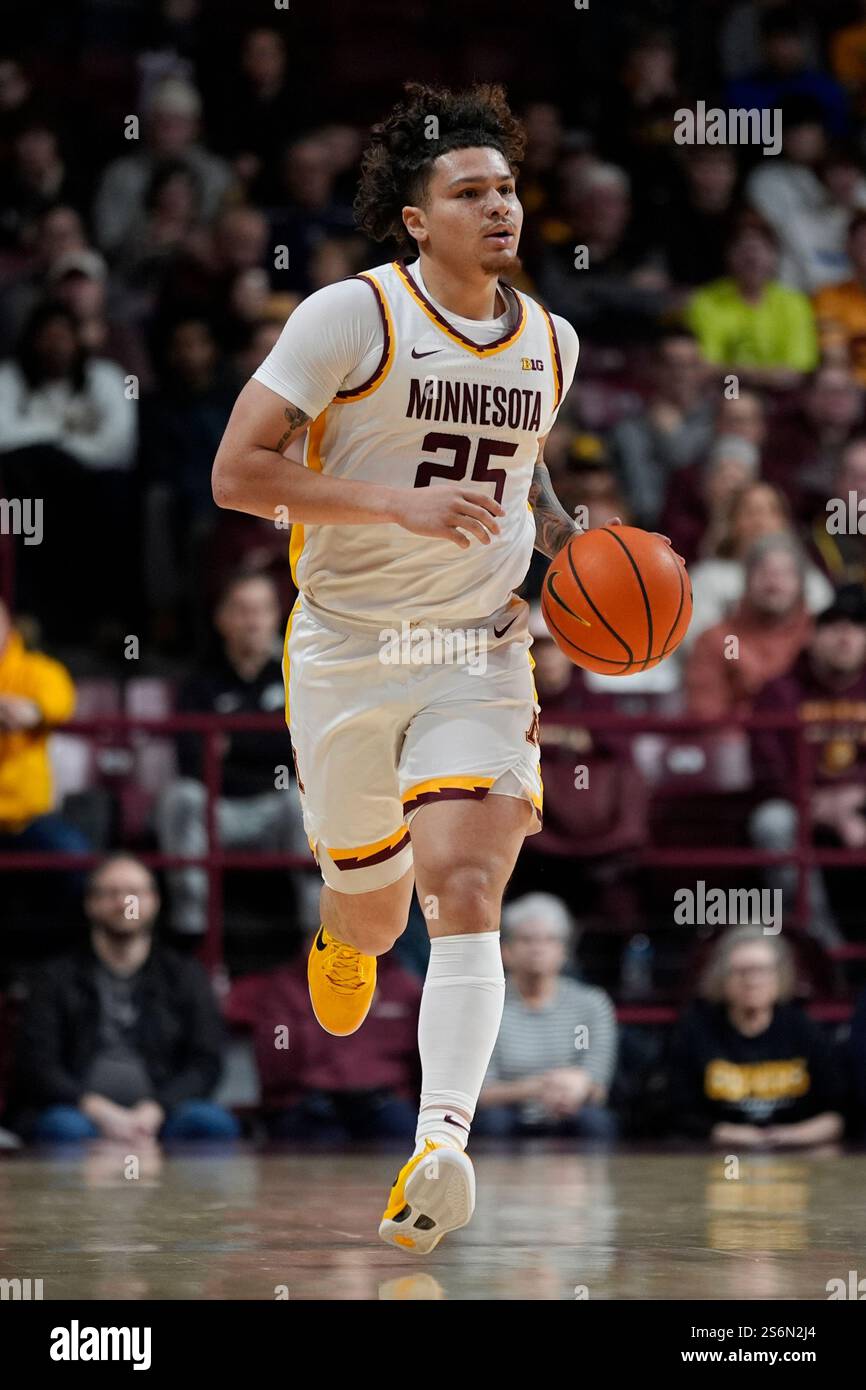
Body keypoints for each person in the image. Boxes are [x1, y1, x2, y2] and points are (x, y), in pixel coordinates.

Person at [212, 82, 663, 1254]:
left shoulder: (548, 341)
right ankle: (340, 932)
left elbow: (529, 475)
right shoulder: (348, 318)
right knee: (367, 914)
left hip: (476, 649)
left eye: (506, 187)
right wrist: (391, 503)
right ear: (417, 219)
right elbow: (235, 473)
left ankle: (441, 1143)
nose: (498, 206)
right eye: (469, 192)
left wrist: (570, 542)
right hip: (348, 650)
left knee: (464, 885)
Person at [10, 853, 240, 1142]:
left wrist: (155, 1109)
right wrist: (98, 1110)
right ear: (90, 903)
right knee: (63, 1128)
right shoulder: (54, 977)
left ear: (154, 901)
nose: (123, 903)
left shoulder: (185, 975)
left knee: (211, 1124)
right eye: (111, 893)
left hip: (163, 1114)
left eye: (134, 893)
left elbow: (206, 1062)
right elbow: (37, 1065)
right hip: (79, 1113)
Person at [155, 570, 311, 935]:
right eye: (242, 610)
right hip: (218, 809)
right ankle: (191, 933)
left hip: (277, 806)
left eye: (262, 610)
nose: (253, 621)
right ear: (221, 619)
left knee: (304, 799)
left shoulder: (297, 679)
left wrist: (232, 745)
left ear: (277, 617)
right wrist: (266, 743)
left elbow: (302, 755)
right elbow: (193, 761)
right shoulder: (199, 685)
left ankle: (317, 937)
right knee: (179, 797)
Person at [749, 585, 866, 945]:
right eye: (833, 625)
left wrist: (853, 798)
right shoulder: (780, 691)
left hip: (859, 806)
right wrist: (820, 806)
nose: (845, 636)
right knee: (772, 822)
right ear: (812, 634)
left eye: (858, 625)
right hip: (802, 806)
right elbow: (768, 770)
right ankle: (822, 950)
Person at [227, 930, 422, 1140]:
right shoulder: (284, 989)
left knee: (406, 1130)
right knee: (312, 1130)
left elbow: (427, 1060)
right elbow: (276, 1059)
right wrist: (327, 1016)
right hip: (311, 1103)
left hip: (386, 1103)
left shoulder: (403, 986)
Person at [667, 925, 846, 1147]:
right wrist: (740, 1137)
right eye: (741, 971)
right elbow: (678, 1114)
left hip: (799, 1155)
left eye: (762, 970)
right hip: (717, 1157)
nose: (752, 981)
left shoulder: (804, 1029)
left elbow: (836, 1114)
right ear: (722, 978)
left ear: (779, 976)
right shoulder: (696, 1032)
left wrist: (787, 1136)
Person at [475, 894, 618, 1139]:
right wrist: (537, 1088)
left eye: (549, 940)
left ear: (563, 951)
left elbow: (598, 1085)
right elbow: (479, 1092)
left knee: (597, 1122)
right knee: (491, 1123)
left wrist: (577, 1088)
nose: (538, 948)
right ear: (505, 951)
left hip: (570, 1108)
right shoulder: (484, 1004)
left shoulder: (590, 1003)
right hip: (506, 1111)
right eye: (527, 940)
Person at [684, 480, 833, 648]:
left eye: (772, 511)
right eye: (750, 512)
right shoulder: (708, 577)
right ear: (732, 523)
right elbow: (695, 641)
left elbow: (825, 638)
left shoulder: (809, 579)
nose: (761, 521)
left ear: (785, 522)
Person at [686, 210, 819, 390]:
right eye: (744, 250)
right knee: (734, 403)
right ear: (728, 255)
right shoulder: (706, 301)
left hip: (781, 393)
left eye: (761, 250)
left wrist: (741, 371)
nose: (753, 259)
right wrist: (763, 374)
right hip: (728, 389)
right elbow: (707, 367)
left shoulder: (794, 303)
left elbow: (796, 371)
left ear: (775, 257)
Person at [685, 535, 813, 720]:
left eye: (785, 573)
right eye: (764, 571)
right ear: (746, 579)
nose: (773, 581)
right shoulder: (718, 639)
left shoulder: (818, 636)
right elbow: (706, 715)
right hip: (739, 744)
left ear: (801, 583)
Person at [0, 598, 87, 856]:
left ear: (8, 626)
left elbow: (62, 700)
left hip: (27, 817)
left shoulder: (38, 670)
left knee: (74, 857)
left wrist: (35, 712)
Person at [813, 212, 866, 387]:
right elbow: (834, 355)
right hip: (853, 389)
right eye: (863, 242)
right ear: (848, 247)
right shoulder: (829, 297)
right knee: (831, 377)